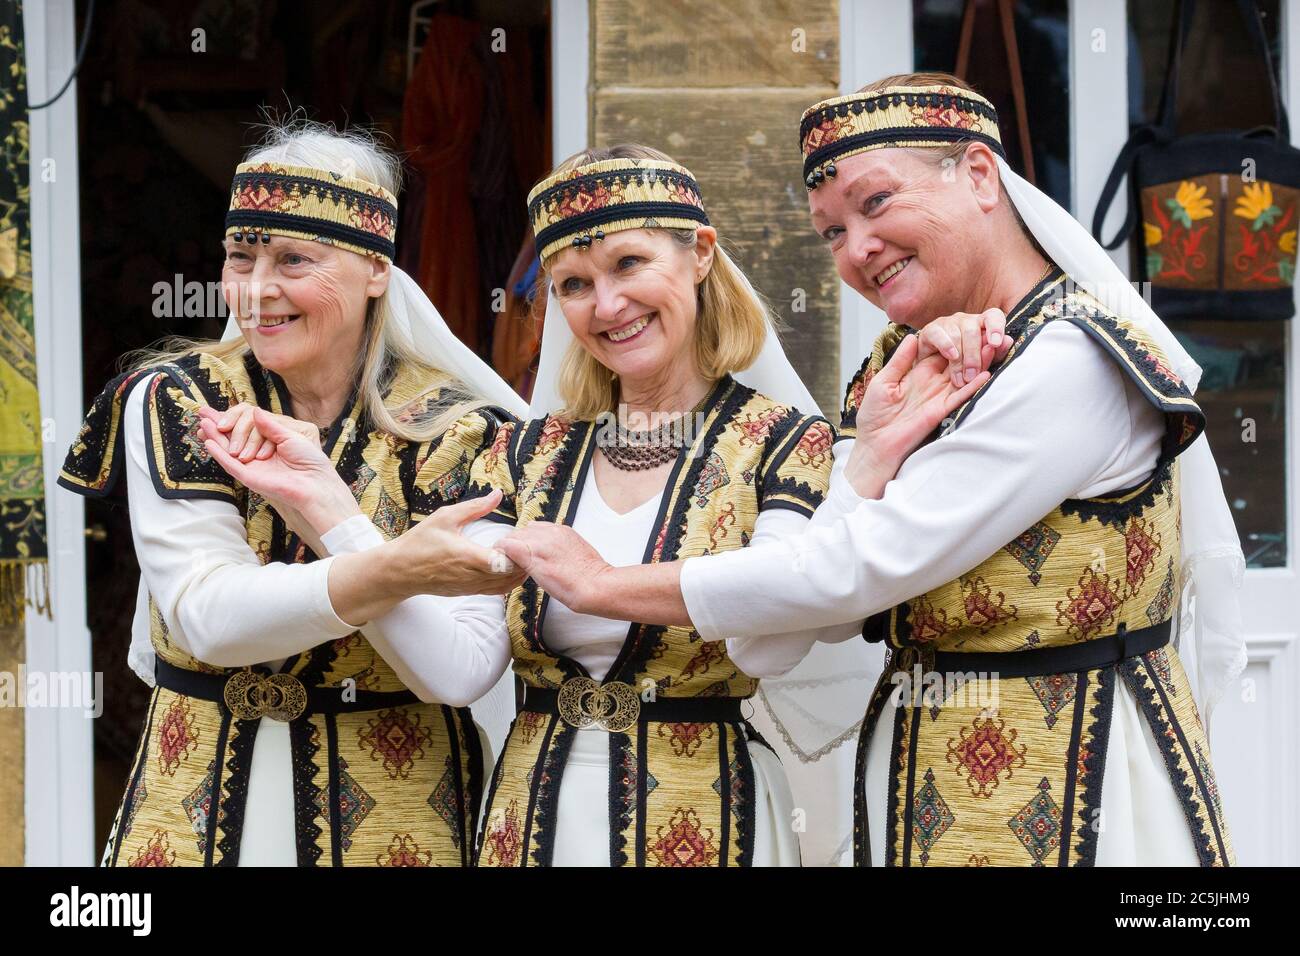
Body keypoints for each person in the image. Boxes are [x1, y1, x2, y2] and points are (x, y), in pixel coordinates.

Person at [498, 74, 1245, 868]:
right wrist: (871, 455)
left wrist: (600, 585)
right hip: (923, 775)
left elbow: (851, 569)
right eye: (831, 232)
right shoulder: (901, 363)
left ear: (981, 176)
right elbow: (795, 621)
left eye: (877, 202)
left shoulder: (1074, 362)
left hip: (1082, 775)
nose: (855, 250)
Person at [213, 143, 994, 866]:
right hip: (535, 821)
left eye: (629, 264)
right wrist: (328, 508)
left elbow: (767, 648)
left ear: (700, 256)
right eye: (575, 285)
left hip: (714, 818)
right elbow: (456, 670)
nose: (607, 304)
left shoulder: (783, 443)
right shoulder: (524, 453)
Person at [57, 120, 527, 867]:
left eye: (294, 260)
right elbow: (210, 619)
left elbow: (456, 671)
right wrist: (395, 571)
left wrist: (336, 519)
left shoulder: (463, 430)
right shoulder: (182, 401)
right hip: (200, 805)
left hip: (402, 816)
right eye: (240, 258)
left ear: (377, 268)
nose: (258, 290)